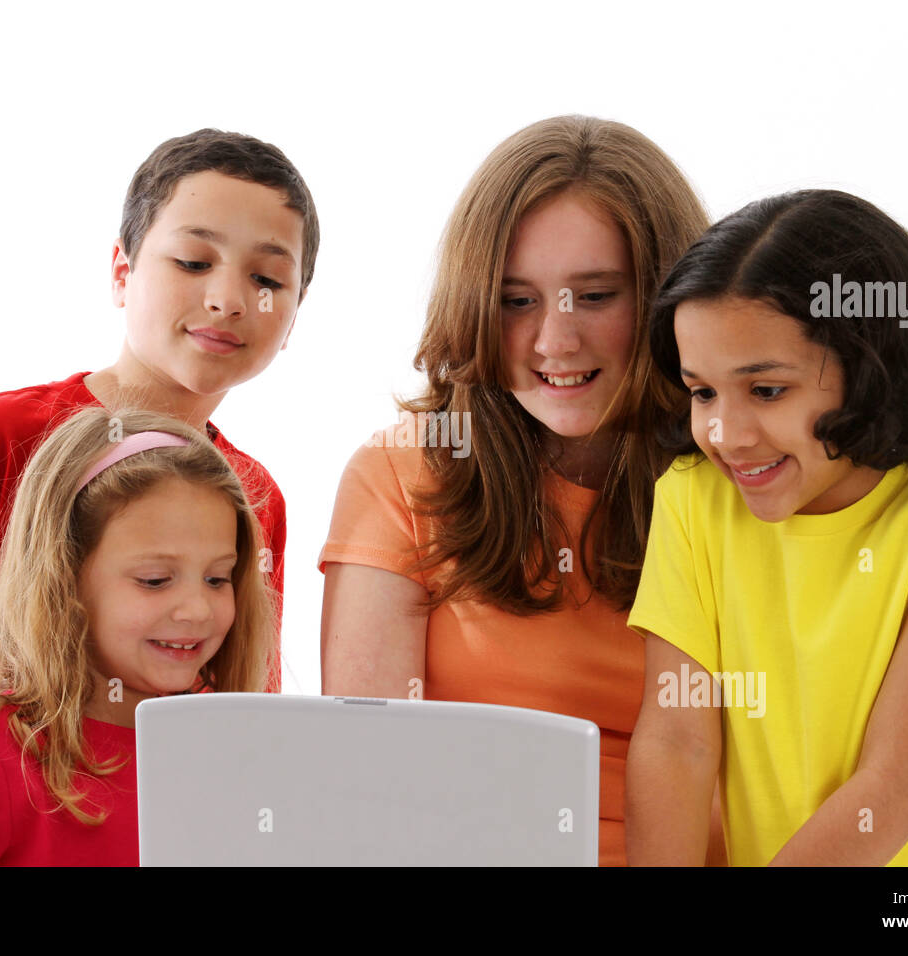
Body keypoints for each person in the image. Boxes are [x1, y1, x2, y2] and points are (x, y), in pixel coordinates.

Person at [0, 127, 317, 866]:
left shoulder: (258, 499)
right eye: (194, 261)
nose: (228, 298)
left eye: (268, 280)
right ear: (121, 272)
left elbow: (231, 721)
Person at [319, 115, 715, 866]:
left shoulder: (739, 482)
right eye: (515, 300)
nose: (554, 342)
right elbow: (368, 787)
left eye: (596, 296)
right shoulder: (403, 473)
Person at [625, 189, 908, 865]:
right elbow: (678, 739)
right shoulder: (693, 500)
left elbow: (890, 790)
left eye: (766, 391)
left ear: (868, 368)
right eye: (702, 390)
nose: (724, 433)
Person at [0, 407, 276, 865]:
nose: (196, 610)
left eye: (217, 579)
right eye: (154, 580)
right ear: (64, 579)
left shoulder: (235, 755)